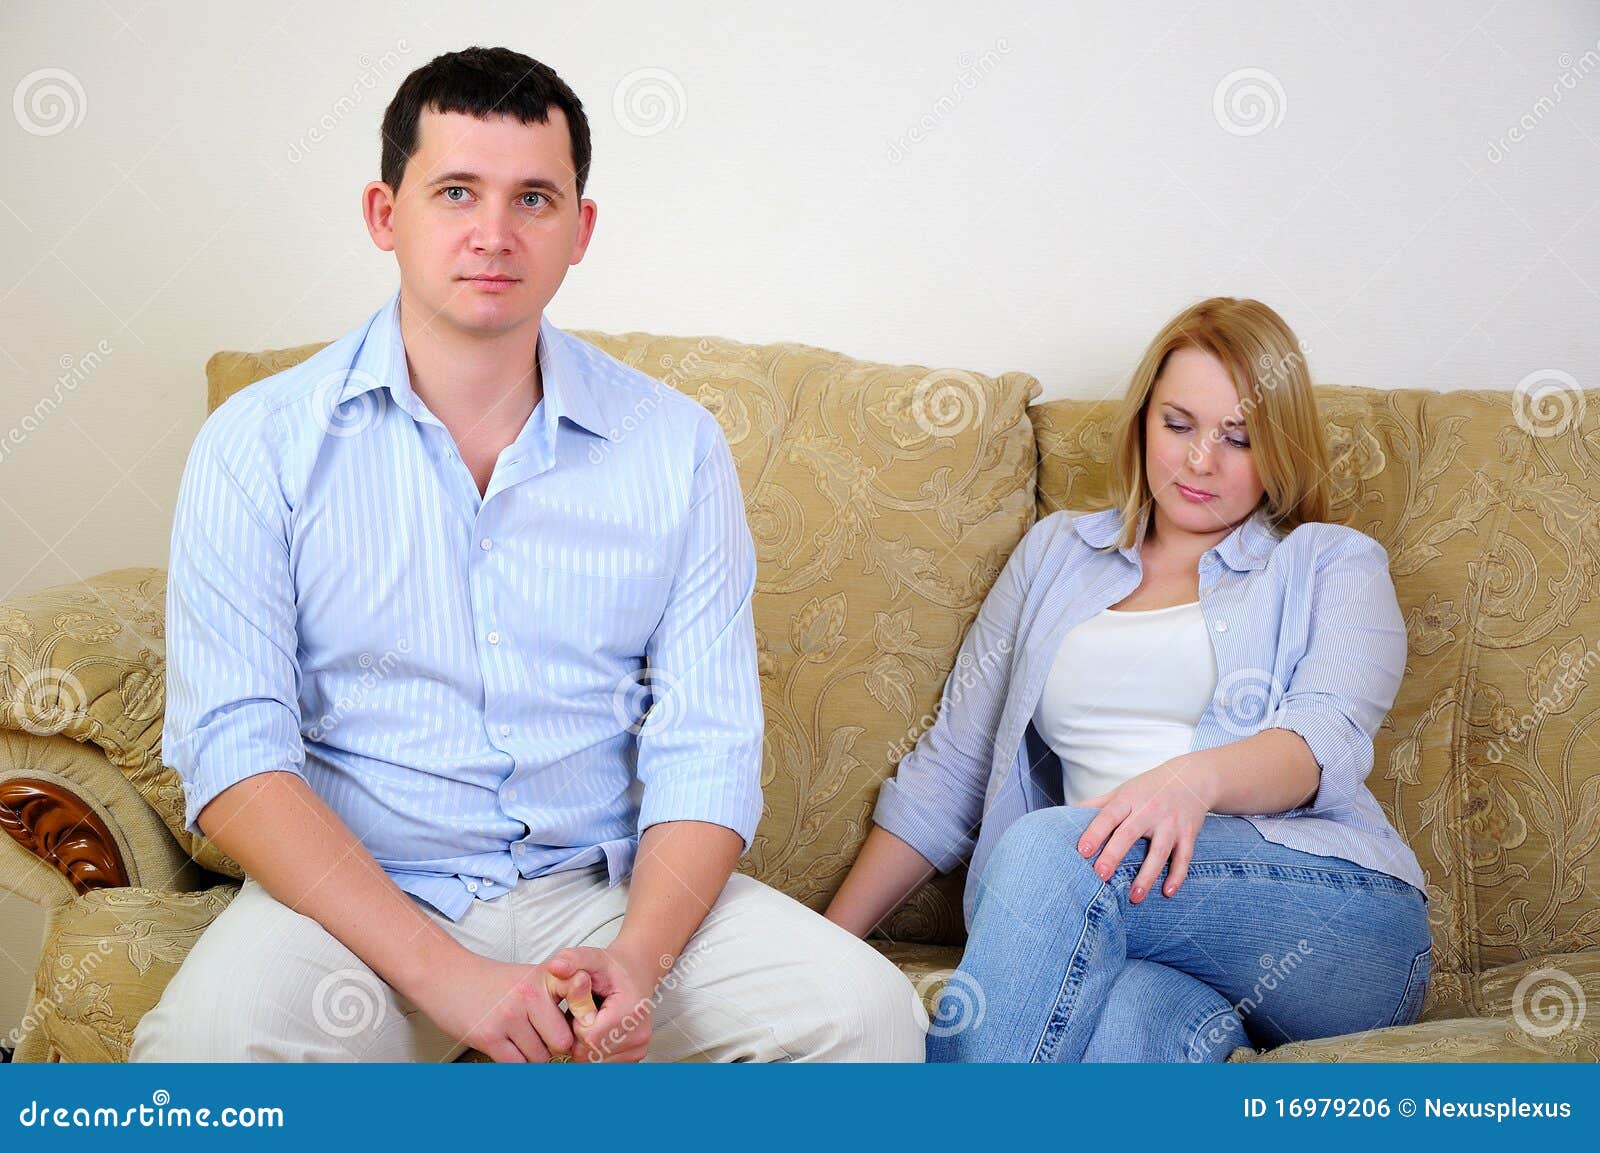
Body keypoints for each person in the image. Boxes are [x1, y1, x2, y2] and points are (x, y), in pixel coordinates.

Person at [132, 46, 925, 1064]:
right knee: (211, 1049)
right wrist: (447, 977)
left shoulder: (674, 447)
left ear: (580, 229)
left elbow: (708, 744)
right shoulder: (257, 444)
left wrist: (637, 961)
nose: (494, 234)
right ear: (386, 214)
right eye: (456, 191)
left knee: (861, 1013)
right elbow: (235, 752)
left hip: (601, 895)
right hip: (355, 904)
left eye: (535, 199)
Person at [824, 297, 1432, 1062]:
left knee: (1053, 850)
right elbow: (949, 770)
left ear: (1280, 449)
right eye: (1178, 425)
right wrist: (824, 952)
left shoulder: (1329, 563)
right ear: (1143, 419)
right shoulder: (1054, 555)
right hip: (1135, 918)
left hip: (1334, 921)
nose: (1200, 459)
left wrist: (1191, 782)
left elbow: (1320, 741)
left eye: (1237, 438)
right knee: (1128, 1026)